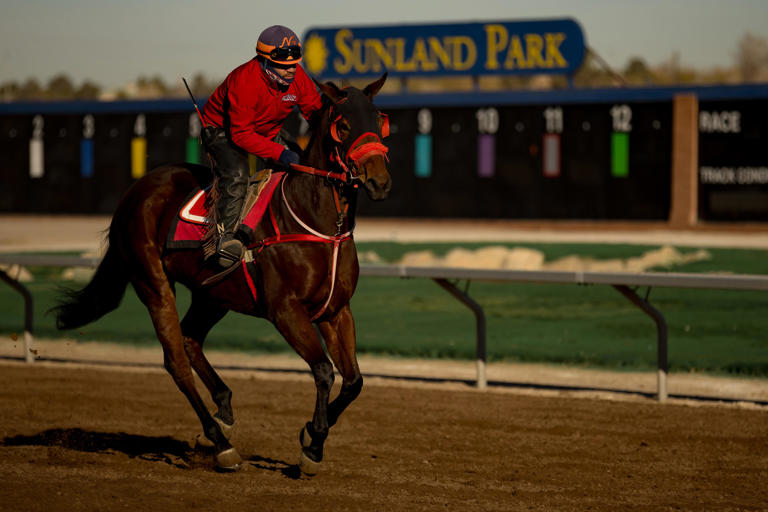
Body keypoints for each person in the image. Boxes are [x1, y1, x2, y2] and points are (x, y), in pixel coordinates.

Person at [201, 25, 323, 268]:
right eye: (284, 66)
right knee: (237, 175)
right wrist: (280, 153)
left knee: (302, 164)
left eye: (295, 64)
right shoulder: (244, 80)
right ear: (264, 60)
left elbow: (316, 114)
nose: (291, 70)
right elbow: (242, 135)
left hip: (267, 130)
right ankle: (225, 241)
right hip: (223, 131)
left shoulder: (298, 77)